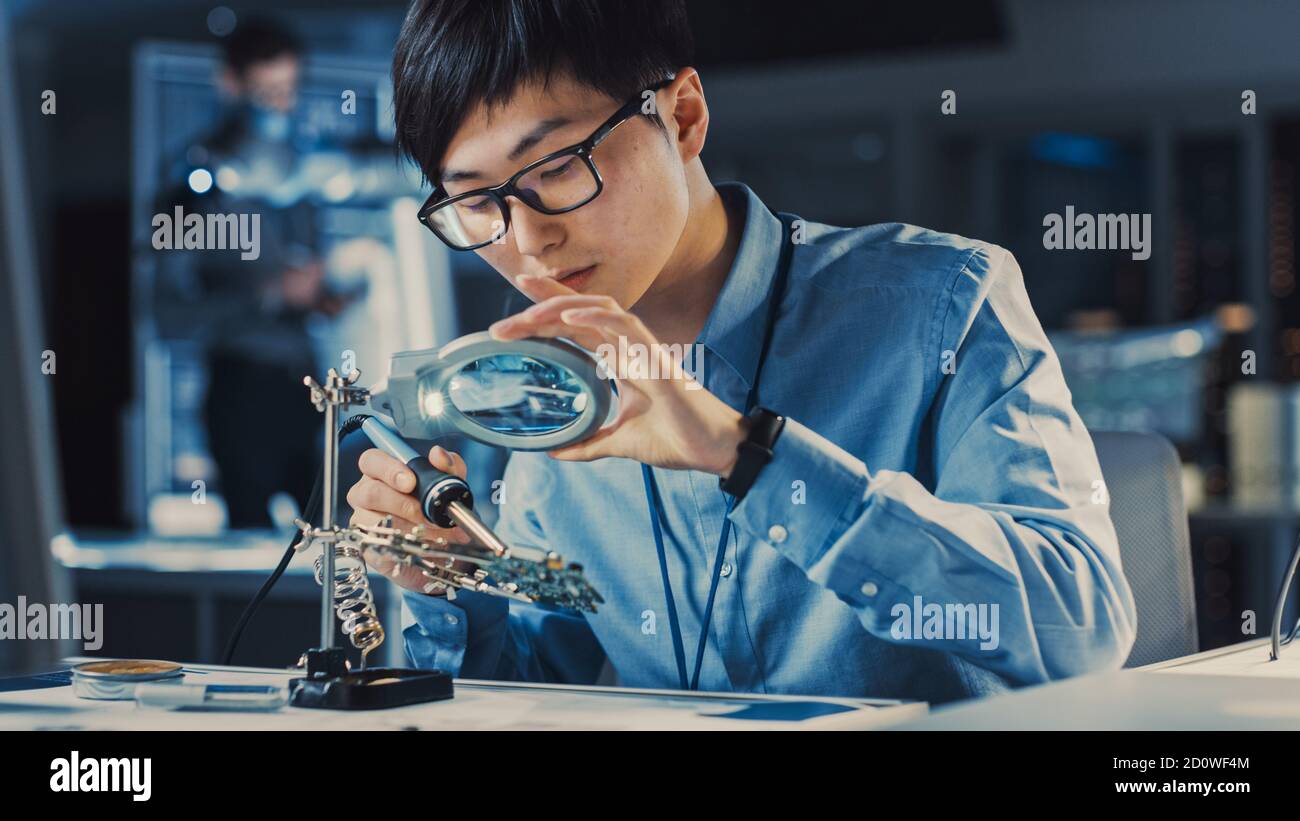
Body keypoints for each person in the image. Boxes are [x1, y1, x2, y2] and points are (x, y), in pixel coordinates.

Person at [348, 0, 1137, 703]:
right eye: (479, 202)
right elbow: (538, 688)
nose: (527, 240)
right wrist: (452, 581)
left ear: (683, 116)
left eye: (558, 168)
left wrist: (748, 454)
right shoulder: (551, 398)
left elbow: (1086, 629)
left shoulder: (941, 304)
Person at [156, 17, 344, 528]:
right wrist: (267, 296)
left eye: (288, 90)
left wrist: (321, 295)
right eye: (266, 91)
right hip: (240, 389)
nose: (279, 106)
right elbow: (165, 311)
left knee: (335, 538)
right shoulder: (193, 187)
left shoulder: (301, 175)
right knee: (253, 553)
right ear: (231, 84)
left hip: (306, 385)